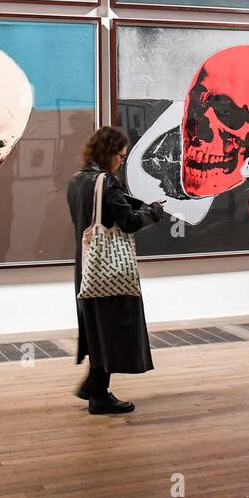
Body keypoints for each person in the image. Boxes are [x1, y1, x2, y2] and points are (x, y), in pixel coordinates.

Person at [66, 126, 166, 415]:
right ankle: (98, 395)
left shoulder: (76, 181)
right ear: (109, 153)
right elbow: (128, 222)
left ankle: (94, 385)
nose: (122, 161)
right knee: (111, 327)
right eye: (121, 156)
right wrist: (154, 213)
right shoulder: (107, 183)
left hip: (85, 264)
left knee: (97, 328)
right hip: (107, 268)